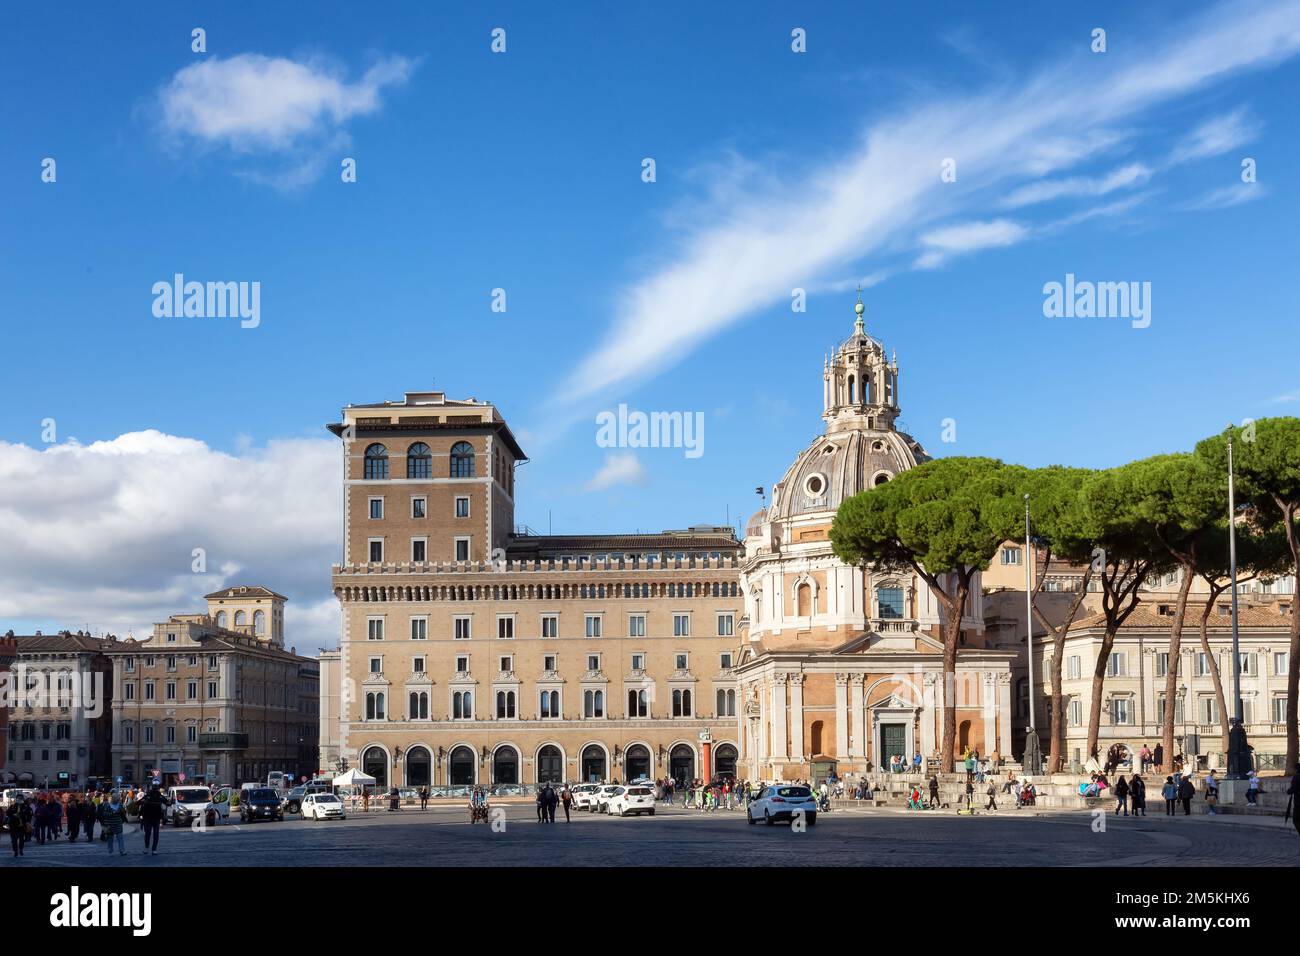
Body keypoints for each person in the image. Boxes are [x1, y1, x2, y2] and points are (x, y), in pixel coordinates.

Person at [138, 786, 165, 855]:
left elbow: (138, 803)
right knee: (155, 834)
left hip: (148, 817)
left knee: (148, 834)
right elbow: (167, 802)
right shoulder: (159, 796)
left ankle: (147, 848)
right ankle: (153, 849)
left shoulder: (148, 796)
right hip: (154, 818)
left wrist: (143, 801)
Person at [99, 792, 127, 856]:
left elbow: (123, 813)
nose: (117, 800)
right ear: (113, 799)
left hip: (118, 824)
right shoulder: (108, 805)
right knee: (110, 839)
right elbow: (105, 814)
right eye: (116, 799)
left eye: (118, 799)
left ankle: (122, 851)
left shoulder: (120, 805)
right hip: (110, 825)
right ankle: (110, 851)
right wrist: (113, 813)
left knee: (120, 838)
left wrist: (121, 812)